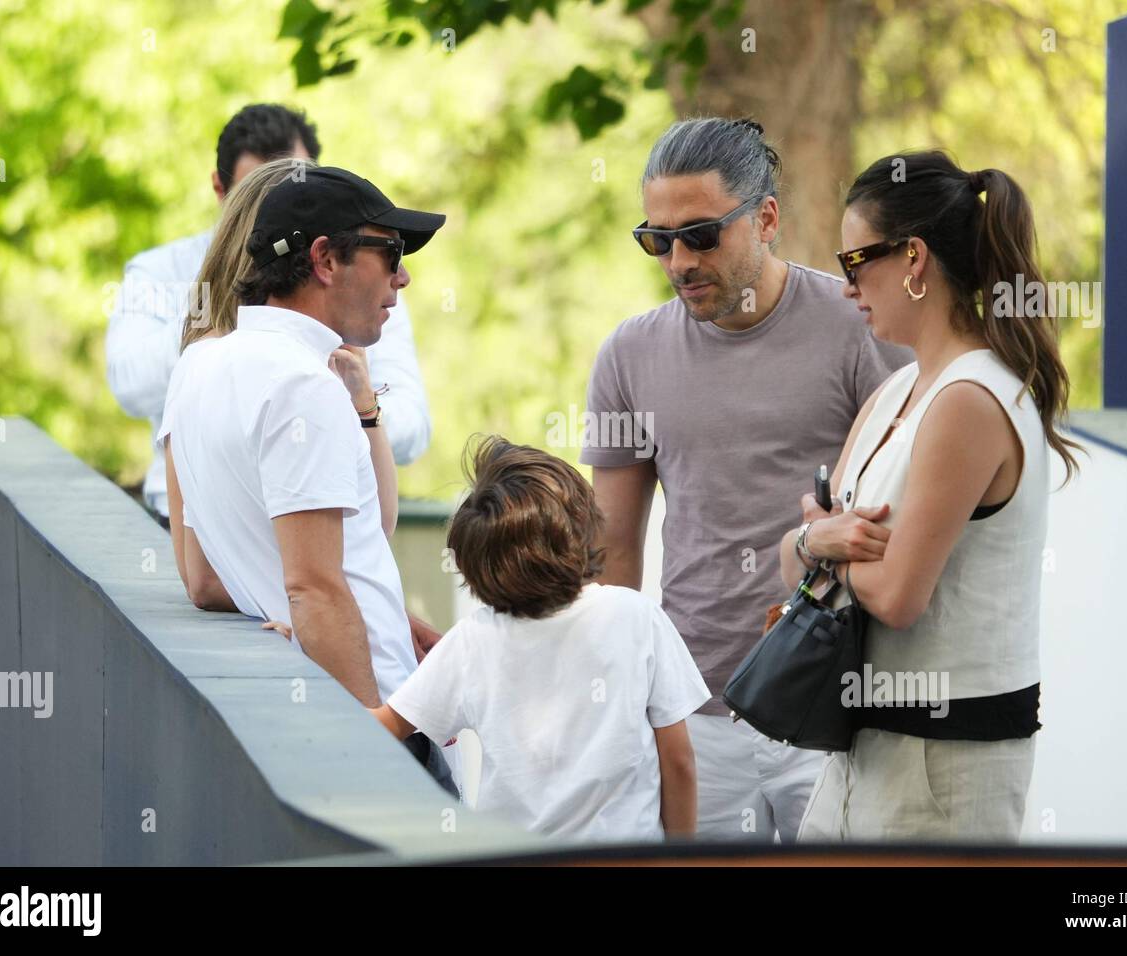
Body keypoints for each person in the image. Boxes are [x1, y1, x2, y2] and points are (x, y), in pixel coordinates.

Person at [580, 117, 912, 842]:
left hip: (839, 707)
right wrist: (621, 704)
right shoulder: (627, 356)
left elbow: (905, 518)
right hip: (694, 708)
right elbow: (612, 558)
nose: (677, 260)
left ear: (766, 218)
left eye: (701, 235)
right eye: (656, 239)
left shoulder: (862, 327)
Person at [780, 151, 1083, 842]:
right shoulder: (896, 391)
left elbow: (897, 596)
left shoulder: (969, 400)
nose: (845, 284)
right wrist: (814, 543)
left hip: (942, 766)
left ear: (913, 258)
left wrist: (824, 547)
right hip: (860, 753)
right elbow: (794, 561)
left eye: (855, 261)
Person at [156, 165, 455, 791]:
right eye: (391, 252)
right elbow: (316, 588)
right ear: (324, 258)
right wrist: (378, 752)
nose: (403, 276)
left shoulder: (199, 366)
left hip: (307, 714)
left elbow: (207, 583)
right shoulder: (301, 385)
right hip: (371, 723)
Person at [107, 104, 432, 527]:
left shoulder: (366, 287)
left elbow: (412, 428)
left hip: (333, 518)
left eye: (296, 190)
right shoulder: (160, 274)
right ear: (221, 192)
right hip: (185, 524)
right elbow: (128, 384)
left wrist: (353, 409)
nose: (281, 212)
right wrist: (239, 304)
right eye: (257, 197)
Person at [371, 436, 710, 841]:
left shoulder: (473, 639)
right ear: (580, 523)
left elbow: (384, 726)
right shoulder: (636, 617)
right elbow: (679, 762)